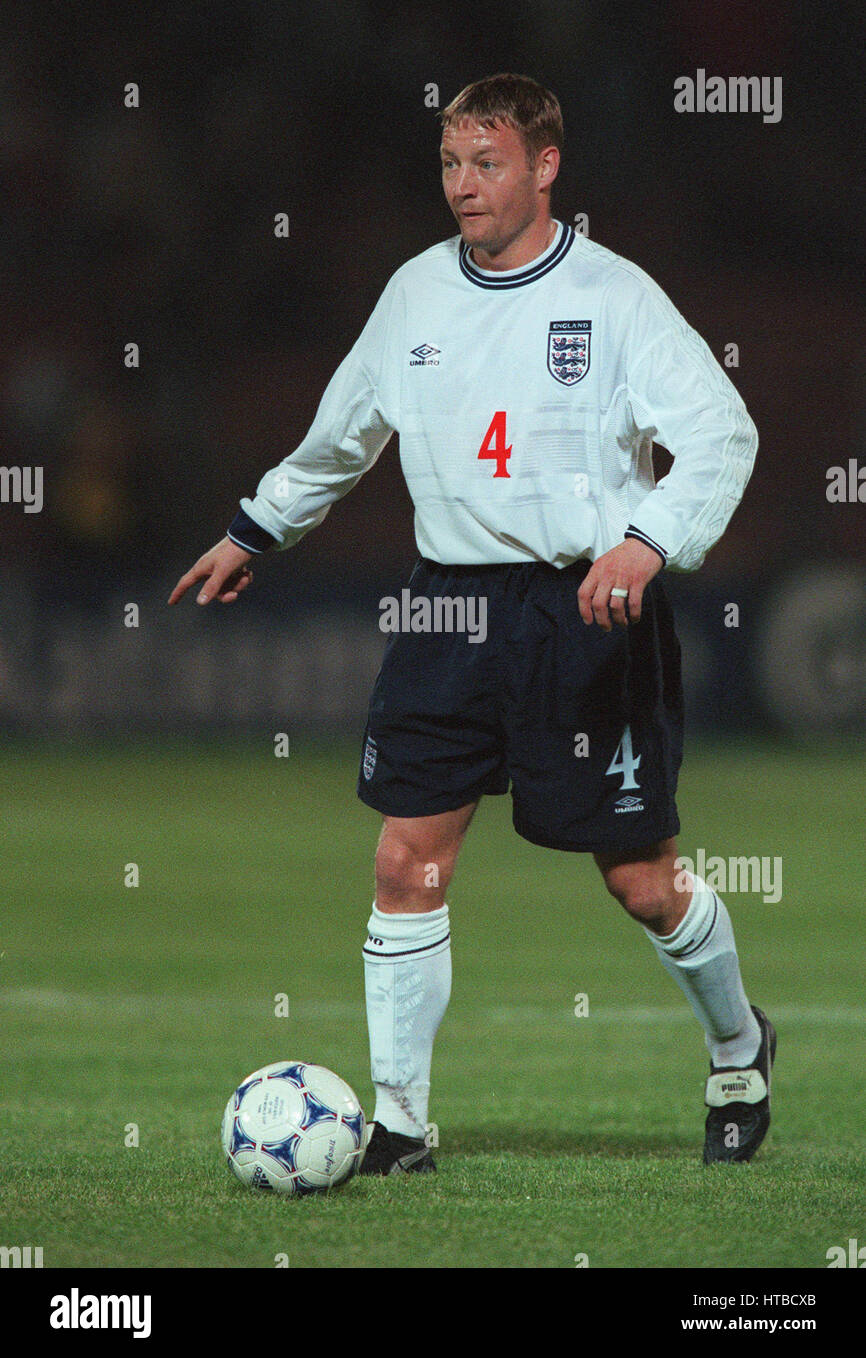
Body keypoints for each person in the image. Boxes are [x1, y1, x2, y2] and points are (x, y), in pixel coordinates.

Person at [170, 73, 773, 1174]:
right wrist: (255, 528)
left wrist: (645, 539)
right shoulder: (413, 295)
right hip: (447, 605)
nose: (462, 186)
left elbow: (722, 435)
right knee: (407, 862)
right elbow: (341, 434)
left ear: (544, 167)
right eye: (449, 164)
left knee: (638, 879)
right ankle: (400, 1121)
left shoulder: (616, 297)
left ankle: (736, 1045)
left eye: (485, 163)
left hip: (587, 610)